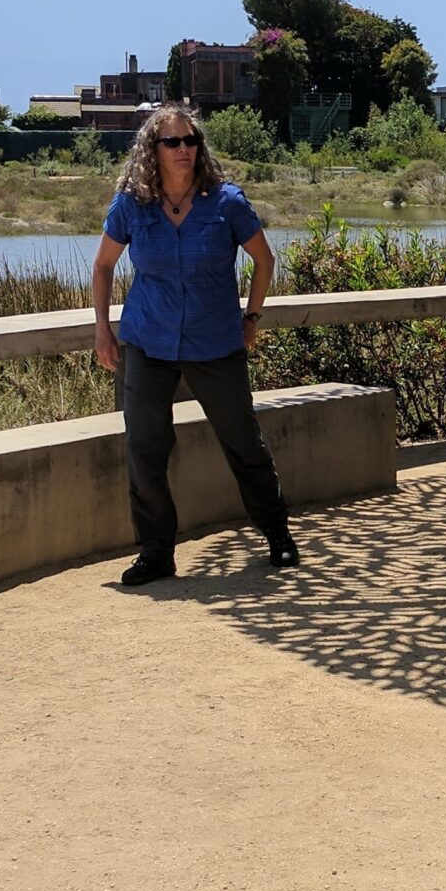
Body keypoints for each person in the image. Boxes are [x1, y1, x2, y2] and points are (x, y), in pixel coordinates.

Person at [92, 106, 299, 585]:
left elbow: (264, 261)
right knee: (144, 447)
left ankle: (278, 534)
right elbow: (103, 266)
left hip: (215, 342)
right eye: (172, 142)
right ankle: (156, 554)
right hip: (148, 340)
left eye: (190, 141)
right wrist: (103, 329)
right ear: (152, 150)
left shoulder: (226, 202)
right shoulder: (131, 205)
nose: (184, 149)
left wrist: (252, 317)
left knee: (243, 442)